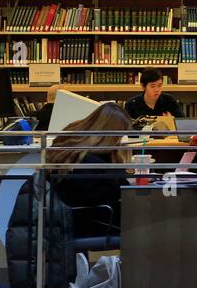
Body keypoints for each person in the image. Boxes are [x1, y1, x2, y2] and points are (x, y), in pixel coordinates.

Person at [45, 102, 133, 240]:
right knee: (146, 222)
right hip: (89, 222)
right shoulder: (87, 162)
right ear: (109, 135)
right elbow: (108, 191)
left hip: (68, 218)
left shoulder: (73, 143)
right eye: (119, 136)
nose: (119, 141)